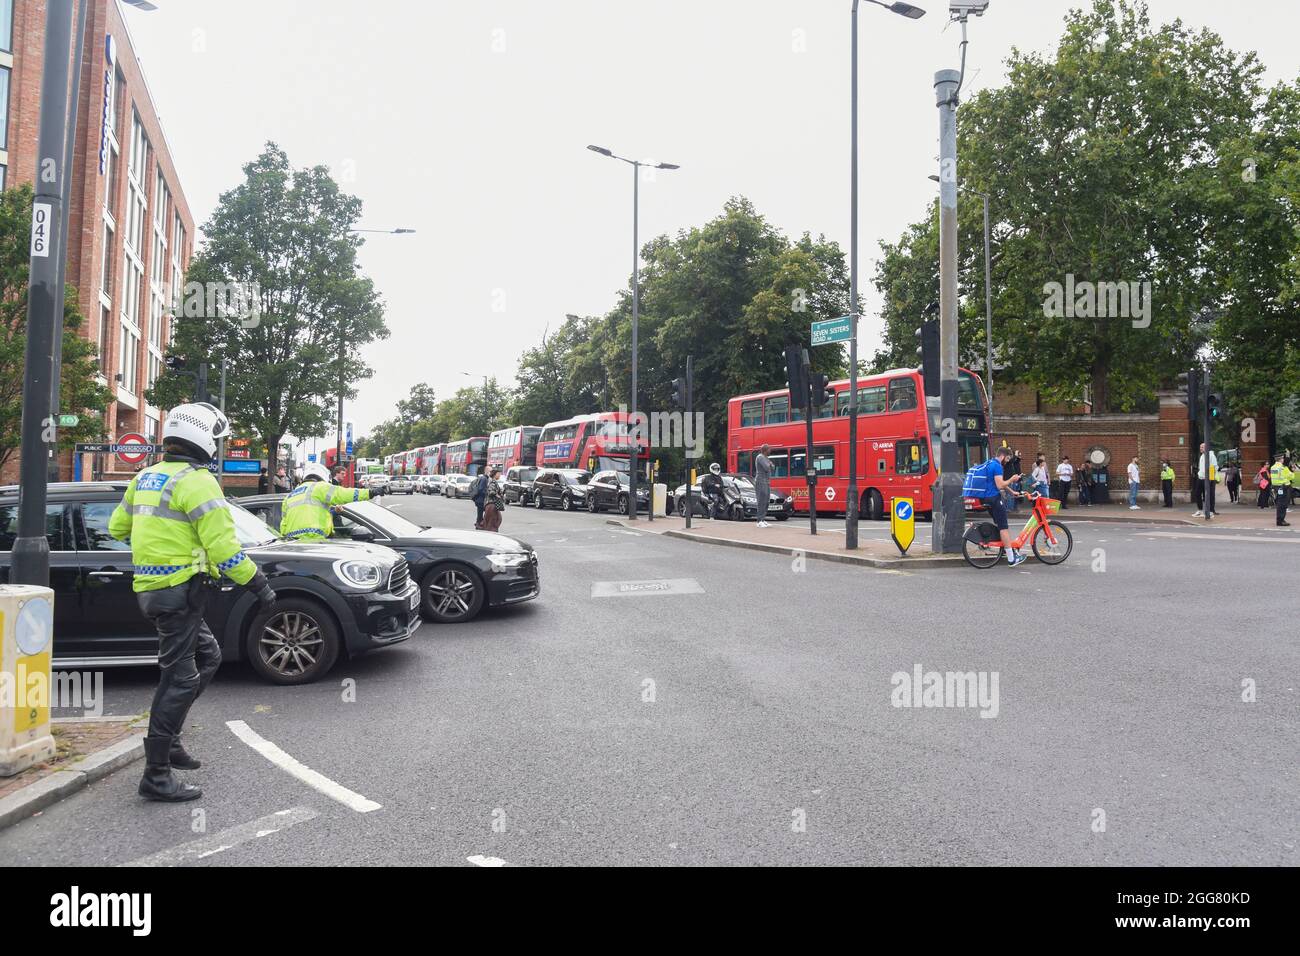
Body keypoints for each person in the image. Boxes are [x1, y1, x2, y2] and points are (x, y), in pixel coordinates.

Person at [108, 402, 276, 802]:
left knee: (210, 656)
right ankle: (156, 772)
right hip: (179, 594)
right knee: (180, 678)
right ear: (203, 438)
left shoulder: (147, 476)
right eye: (216, 440)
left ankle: (172, 743)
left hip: (154, 592)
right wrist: (260, 585)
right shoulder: (199, 482)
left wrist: (159, 550)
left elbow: (118, 527)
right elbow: (224, 550)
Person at [280, 462, 378, 541]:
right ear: (323, 476)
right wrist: (370, 492)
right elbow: (342, 494)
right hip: (313, 541)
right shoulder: (319, 487)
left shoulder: (290, 496)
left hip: (293, 543)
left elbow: (283, 525)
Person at [962, 445, 1025, 566]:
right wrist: (1012, 479)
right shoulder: (997, 466)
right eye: (1007, 459)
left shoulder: (990, 463)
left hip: (985, 498)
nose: (1007, 461)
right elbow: (1000, 485)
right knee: (1004, 527)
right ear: (1002, 456)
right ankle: (1012, 559)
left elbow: (996, 482)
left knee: (999, 524)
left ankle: (1007, 549)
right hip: (994, 499)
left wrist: (1012, 492)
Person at [1193, 443, 1217, 517]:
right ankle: (1200, 510)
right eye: (1200, 447)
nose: (1201, 448)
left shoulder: (1211, 455)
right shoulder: (1202, 456)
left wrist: (1210, 478)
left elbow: (1214, 467)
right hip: (1201, 478)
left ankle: (1211, 511)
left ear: (1207, 448)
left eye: (1202, 447)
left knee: (1209, 495)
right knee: (1197, 493)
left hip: (1209, 478)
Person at [753, 444, 774, 528]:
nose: (770, 451)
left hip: (767, 481)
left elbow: (773, 467)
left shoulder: (766, 458)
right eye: (769, 449)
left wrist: (770, 464)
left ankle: (763, 519)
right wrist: (770, 464)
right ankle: (759, 521)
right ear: (765, 450)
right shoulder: (760, 457)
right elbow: (767, 467)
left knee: (766, 501)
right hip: (760, 481)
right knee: (761, 501)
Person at [1271, 453, 1293, 527]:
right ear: (1280, 459)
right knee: (1283, 504)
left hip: (1277, 487)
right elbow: (1291, 477)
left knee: (1280, 503)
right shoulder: (1283, 468)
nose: (1283, 459)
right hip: (1283, 487)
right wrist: (1292, 471)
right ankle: (1281, 520)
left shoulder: (1273, 467)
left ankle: (1279, 520)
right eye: (1282, 458)